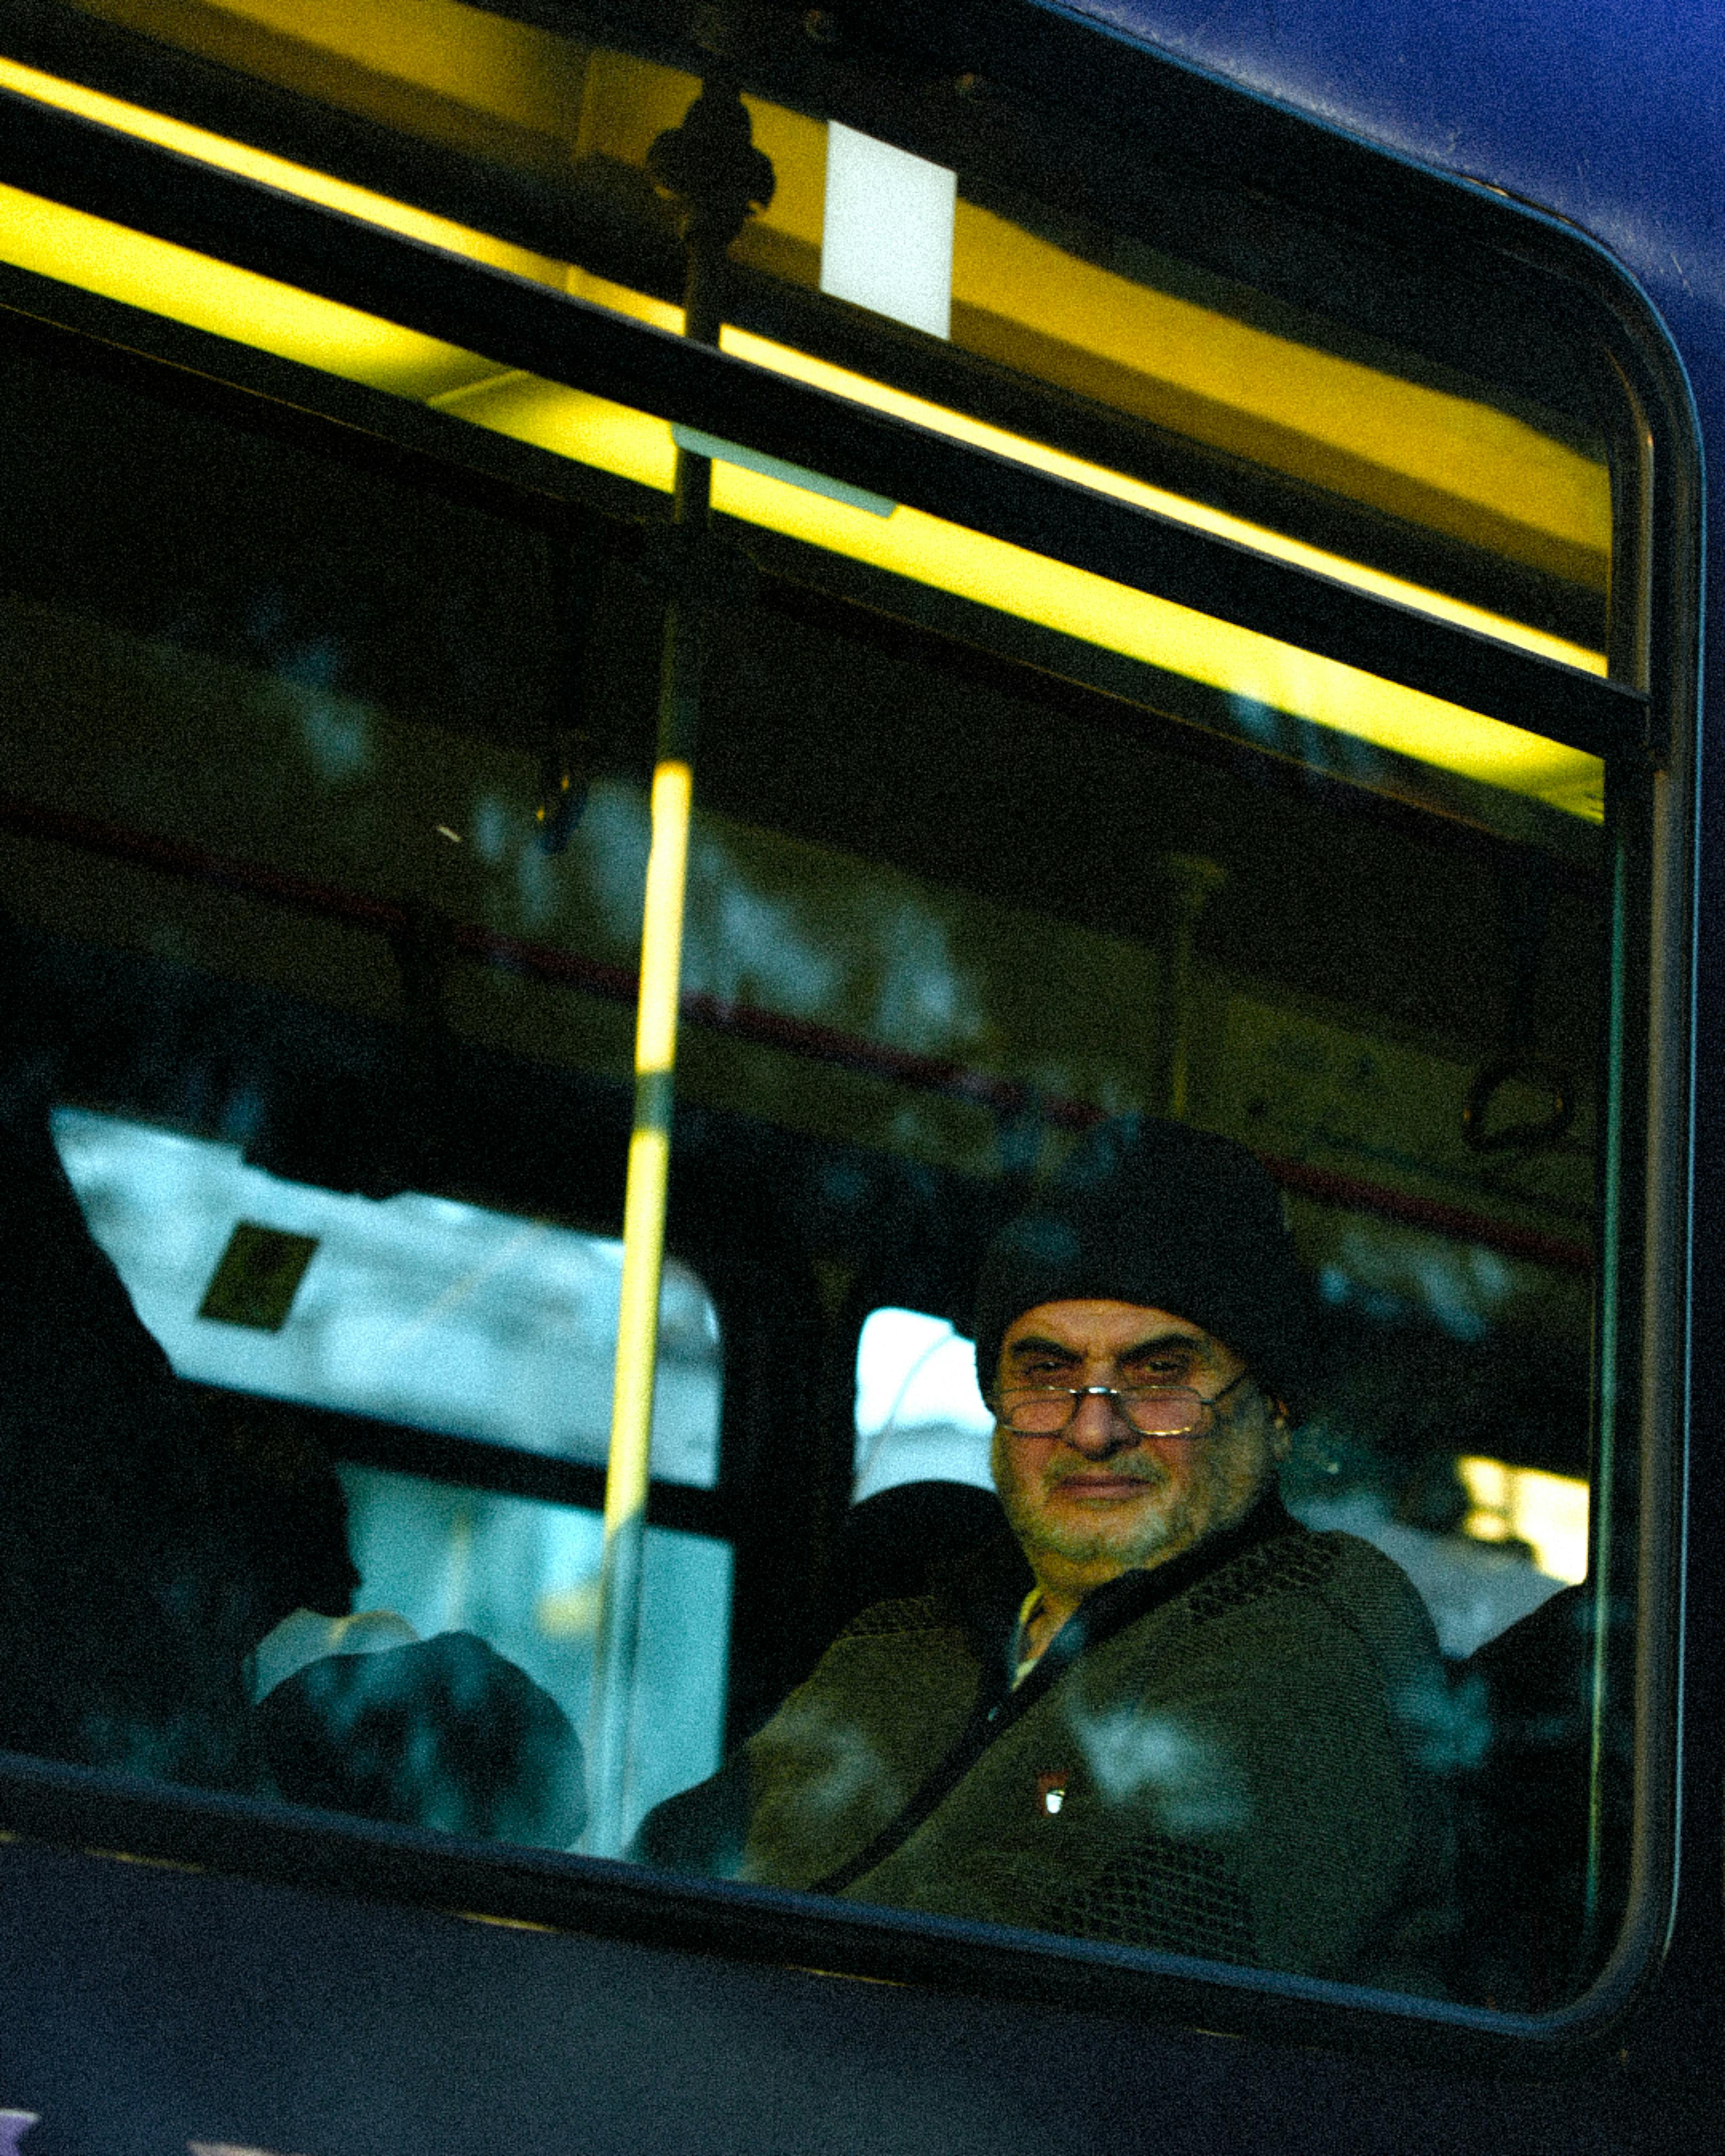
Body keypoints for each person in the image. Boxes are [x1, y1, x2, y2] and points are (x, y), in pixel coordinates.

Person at [638, 1118, 1453, 1986]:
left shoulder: (1317, 1630)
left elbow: (1074, 1962)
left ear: (1276, 1413)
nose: (1094, 1427)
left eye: (1158, 1373)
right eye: (1048, 1373)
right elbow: (668, 1864)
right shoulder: (898, 1643)